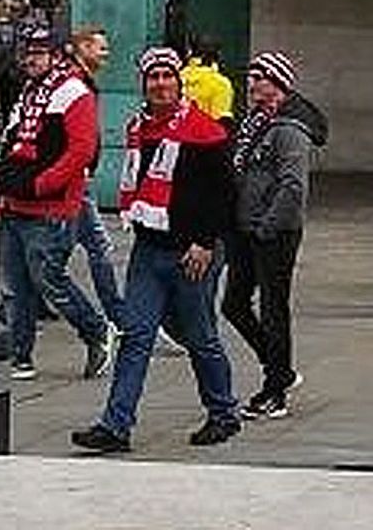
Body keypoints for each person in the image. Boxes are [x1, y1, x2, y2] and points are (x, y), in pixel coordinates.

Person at [72, 47, 240, 453]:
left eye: (167, 76)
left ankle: (223, 413)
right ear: (144, 85)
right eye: (153, 78)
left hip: (191, 251)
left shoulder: (205, 131)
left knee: (200, 336)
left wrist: (205, 242)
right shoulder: (137, 128)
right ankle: (116, 426)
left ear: (179, 82)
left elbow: (224, 194)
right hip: (149, 250)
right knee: (136, 336)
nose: (160, 84)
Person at [0, 25, 116, 381]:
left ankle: (96, 331)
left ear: (57, 54)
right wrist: (1, 185)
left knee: (50, 281)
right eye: (28, 52)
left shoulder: (73, 92)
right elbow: (11, 138)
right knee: (14, 286)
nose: (31, 59)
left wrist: (41, 185)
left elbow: (81, 150)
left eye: (39, 52)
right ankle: (19, 356)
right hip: (16, 203)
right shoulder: (31, 91)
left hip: (50, 206)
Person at [224, 51, 325, 419]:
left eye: (260, 78)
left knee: (272, 309)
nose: (251, 84)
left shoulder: (288, 129)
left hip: (273, 232)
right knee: (233, 304)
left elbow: (293, 187)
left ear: (278, 84)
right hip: (244, 228)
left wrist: (267, 225)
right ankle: (281, 369)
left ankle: (274, 389)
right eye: (250, 77)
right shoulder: (255, 121)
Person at [65, 26, 128, 330]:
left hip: (78, 178)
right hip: (77, 180)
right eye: (101, 48)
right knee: (97, 247)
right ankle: (114, 316)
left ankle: (27, 301)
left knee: (56, 250)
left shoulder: (81, 82)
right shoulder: (76, 84)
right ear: (83, 49)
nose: (106, 53)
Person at [181, 34, 236, 125]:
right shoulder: (221, 83)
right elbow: (221, 121)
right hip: (205, 136)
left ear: (190, 53)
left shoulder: (178, 77)